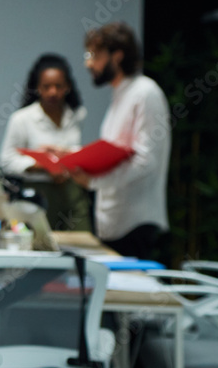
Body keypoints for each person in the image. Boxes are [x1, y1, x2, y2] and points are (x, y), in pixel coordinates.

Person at [70, 22, 170, 260]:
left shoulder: (145, 92)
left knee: (131, 282)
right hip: (113, 220)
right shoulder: (120, 94)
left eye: (94, 56)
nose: (88, 64)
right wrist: (70, 155)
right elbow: (113, 152)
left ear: (117, 56)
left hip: (135, 222)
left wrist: (94, 181)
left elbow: (145, 160)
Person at [0, 53, 92, 232]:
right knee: (40, 241)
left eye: (59, 86)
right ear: (37, 88)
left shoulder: (77, 115)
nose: (53, 92)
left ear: (68, 87)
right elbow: (7, 160)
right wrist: (42, 165)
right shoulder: (22, 118)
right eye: (46, 87)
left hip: (71, 188)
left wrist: (66, 157)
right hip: (38, 191)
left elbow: (78, 152)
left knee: (82, 238)